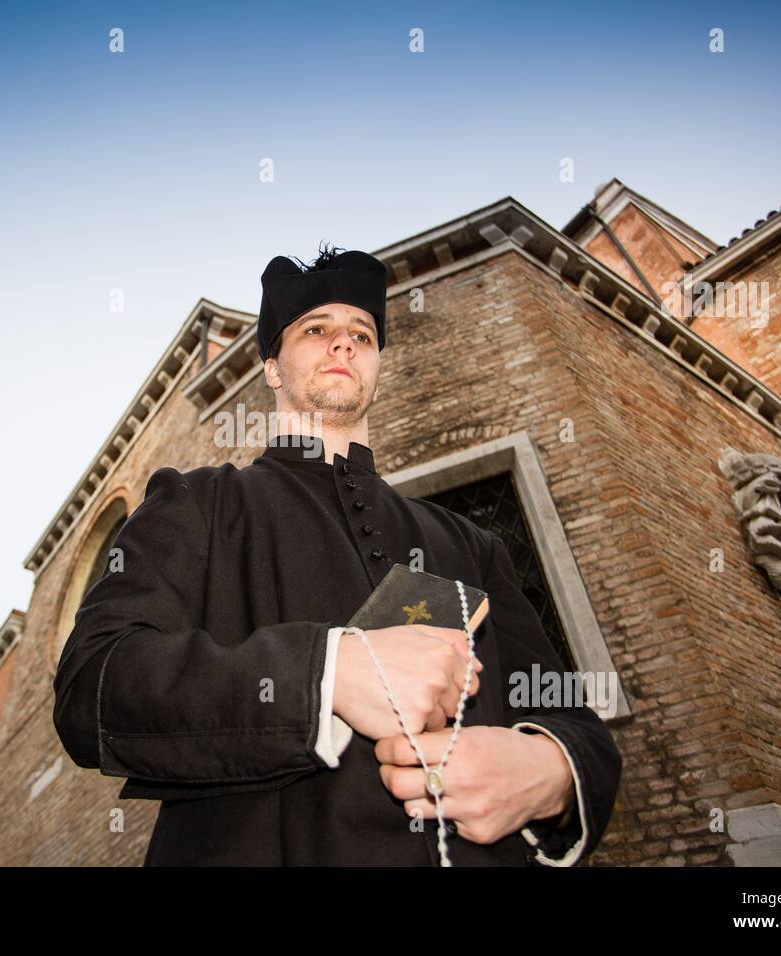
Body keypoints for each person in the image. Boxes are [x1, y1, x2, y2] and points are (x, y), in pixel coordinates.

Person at [52, 242, 623, 865]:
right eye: (316, 329)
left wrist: (550, 772)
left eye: (363, 334)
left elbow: (572, 720)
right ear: (272, 366)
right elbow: (92, 687)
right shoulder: (195, 503)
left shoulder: (470, 544)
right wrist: (329, 674)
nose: (344, 343)